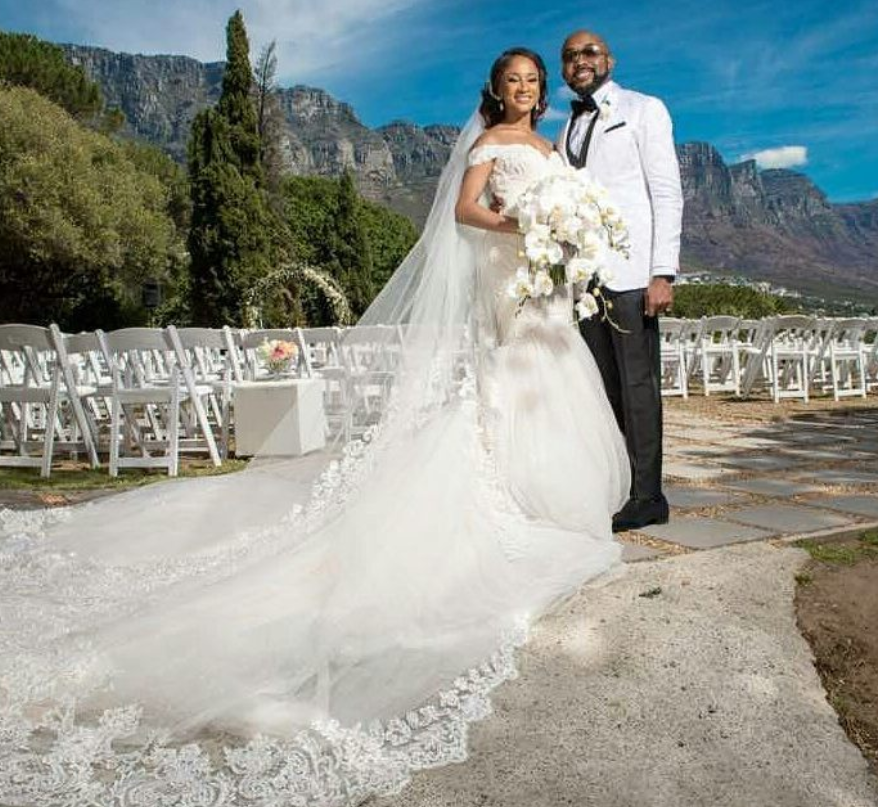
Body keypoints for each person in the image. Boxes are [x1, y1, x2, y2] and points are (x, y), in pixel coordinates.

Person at [0, 48, 629, 806]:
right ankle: (510, 498)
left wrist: (563, 236)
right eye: (514, 80)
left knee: (554, 377)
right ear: (497, 90)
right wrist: (518, 221)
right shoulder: (491, 145)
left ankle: (548, 498)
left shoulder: (551, 146)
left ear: (541, 90)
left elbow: (567, 205)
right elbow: (465, 211)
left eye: (534, 81)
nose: (525, 90)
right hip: (508, 271)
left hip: (546, 280)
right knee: (505, 381)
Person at [557, 29, 684, 532]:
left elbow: (666, 193)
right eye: (569, 57)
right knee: (602, 390)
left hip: (633, 277)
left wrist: (662, 272)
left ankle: (649, 495)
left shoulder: (645, 109)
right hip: (582, 284)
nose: (579, 62)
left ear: (609, 58)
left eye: (588, 52)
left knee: (638, 387)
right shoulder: (563, 130)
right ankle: (618, 485)